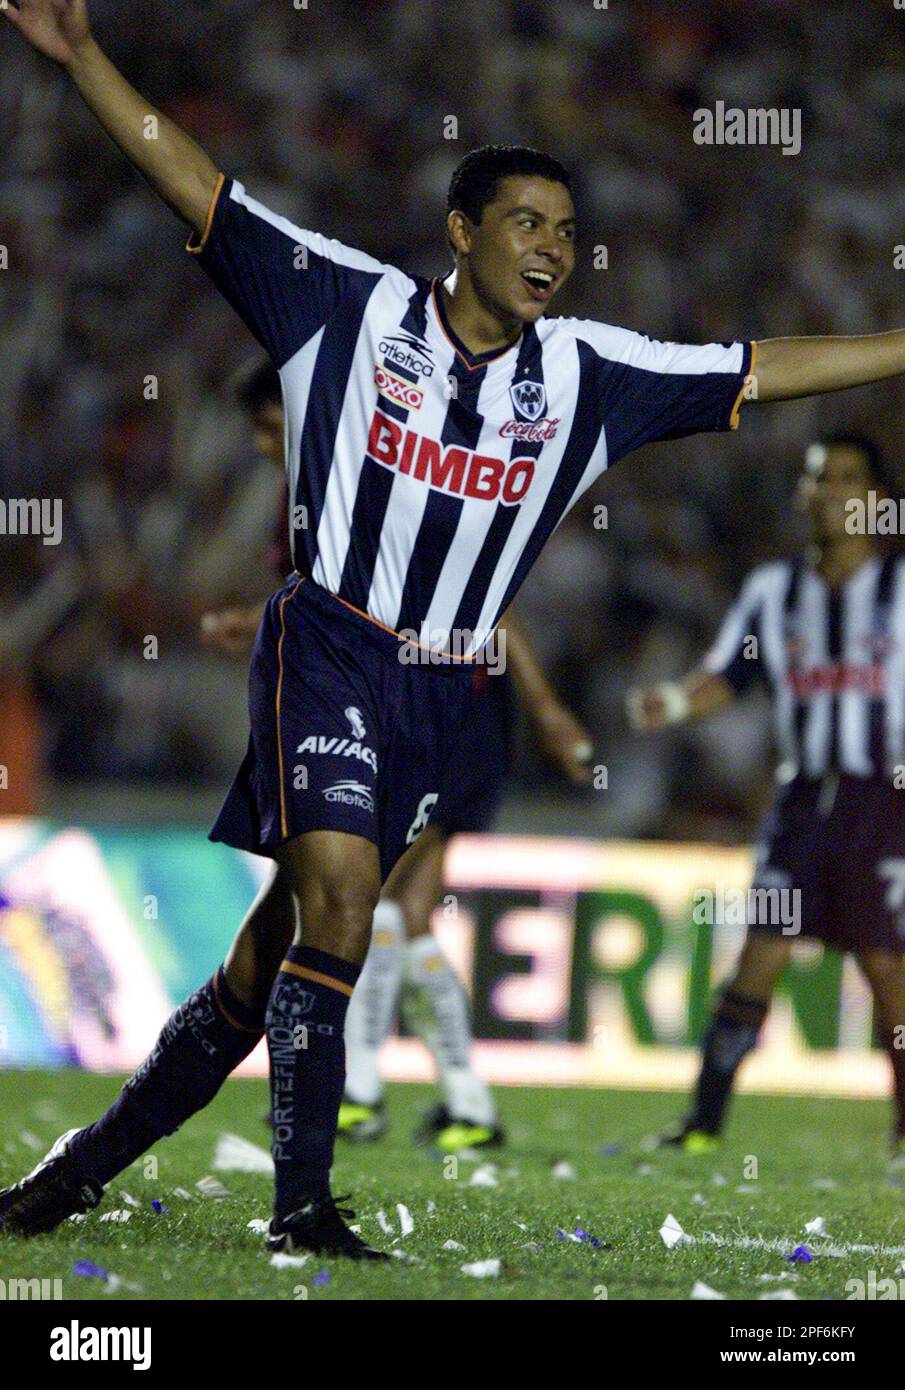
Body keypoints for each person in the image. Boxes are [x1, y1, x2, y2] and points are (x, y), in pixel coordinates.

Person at [6, 0, 905, 1259]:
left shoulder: (590, 372)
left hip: (443, 691)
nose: (552, 249)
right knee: (342, 904)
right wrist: (87, 57)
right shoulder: (344, 306)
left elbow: (756, 365)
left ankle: (74, 1171)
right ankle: (302, 1210)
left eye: (567, 234)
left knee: (265, 973)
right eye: (527, 224)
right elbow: (195, 185)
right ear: (460, 232)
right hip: (329, 644)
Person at [202, 362, 594, 1152]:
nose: (260, 443)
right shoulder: (315, 489)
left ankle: (390, 1093)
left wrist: (546, 707)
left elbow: (484, 596)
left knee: (387, 905)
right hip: (404, 708)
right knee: (396, 911)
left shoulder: (368, 473)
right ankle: (436, 1098)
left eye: (268, 426)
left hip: (452, 710)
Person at [627, 434, 905, 1162]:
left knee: (886, 966)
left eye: (847, 479)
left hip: (886, 803)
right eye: (817, 480)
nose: (831, 494)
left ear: (878, 500)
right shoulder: (772, 590)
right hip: (802, 801)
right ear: (799, 498)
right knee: (759, 953)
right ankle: (702, 1121)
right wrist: (671, 703)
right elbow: (726, 675)